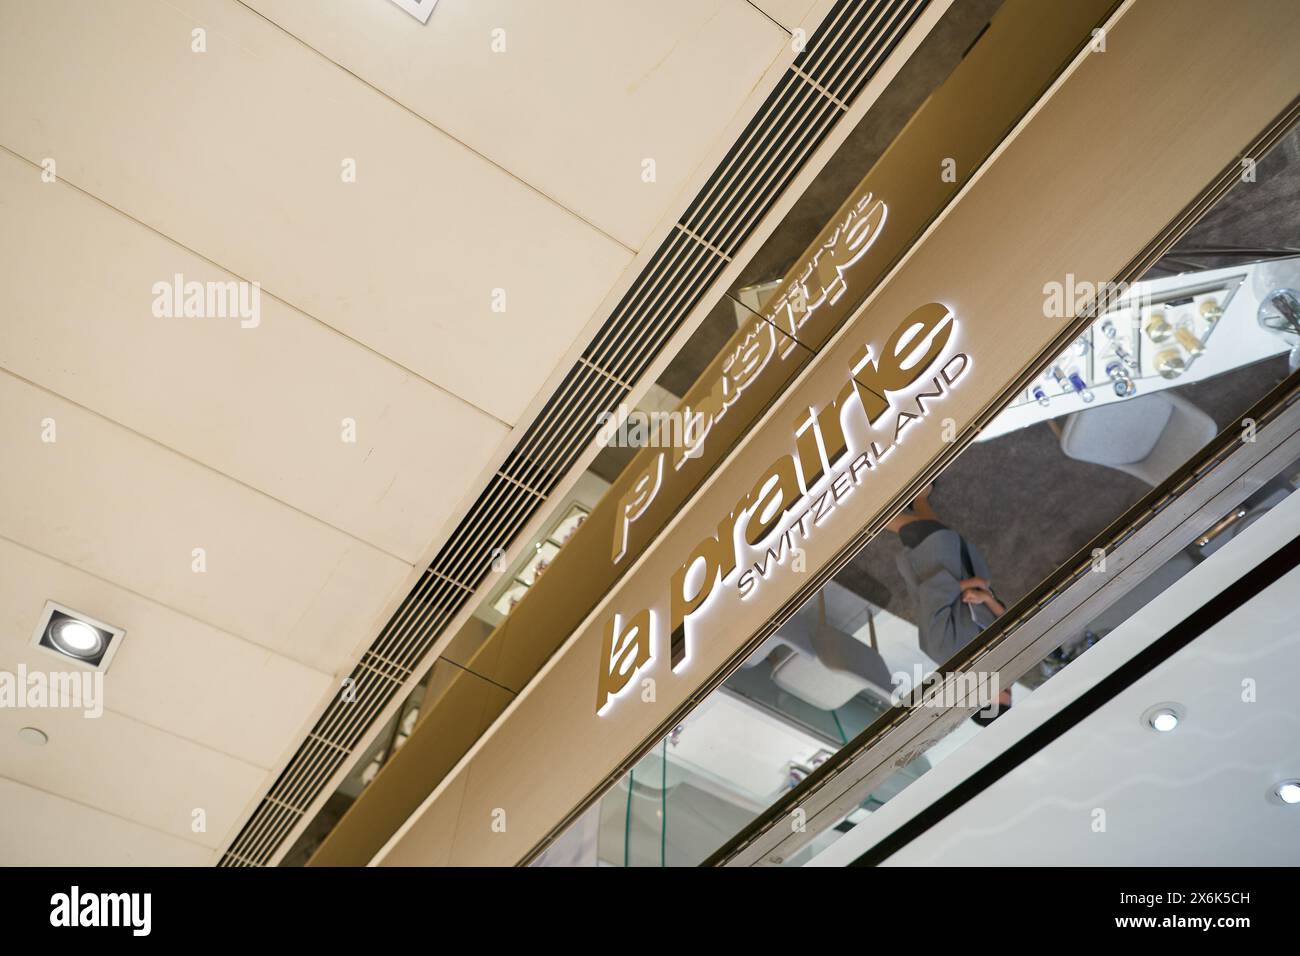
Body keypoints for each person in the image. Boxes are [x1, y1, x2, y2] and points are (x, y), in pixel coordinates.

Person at [888, 488, 1011, 723]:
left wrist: (969, 584)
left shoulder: (944, 652)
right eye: (1010, 689)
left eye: (1002, 689)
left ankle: (859, 505)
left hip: (934, 571)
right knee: (941, 533)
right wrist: (988, 599)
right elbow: (1007, 623)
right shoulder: (991, 658)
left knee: (913, 528)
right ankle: (919, 499)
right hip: (960, 568)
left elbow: (931, 597)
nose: (1007, 680)